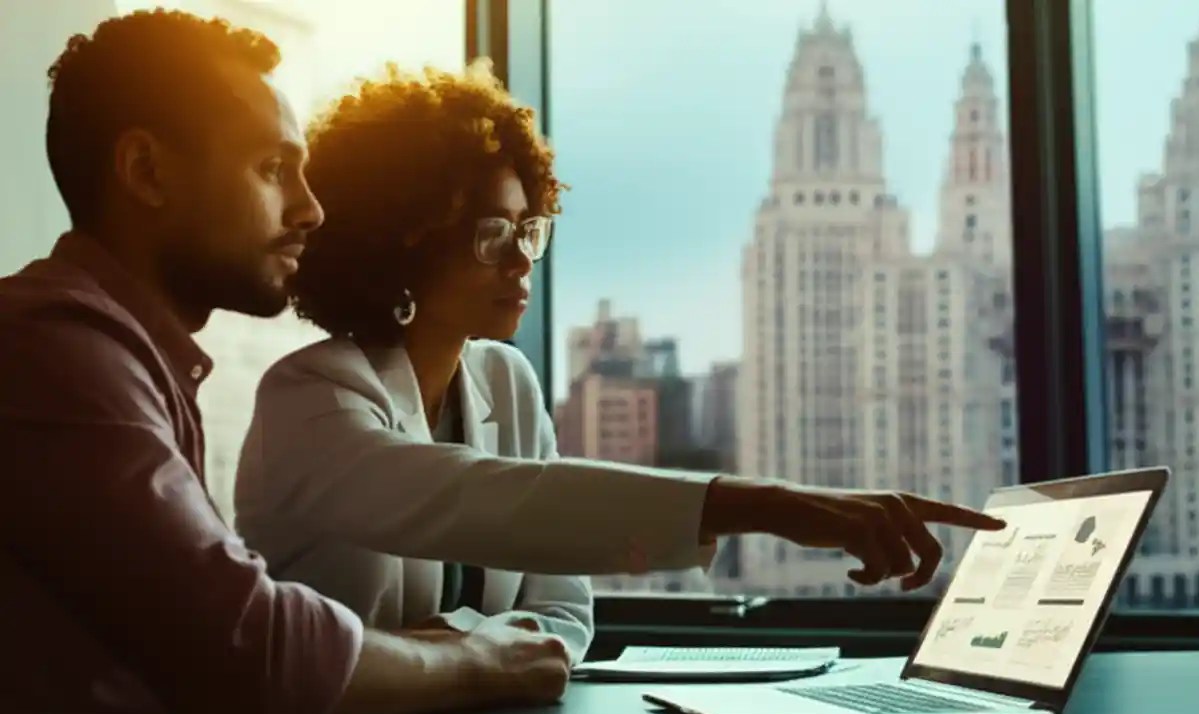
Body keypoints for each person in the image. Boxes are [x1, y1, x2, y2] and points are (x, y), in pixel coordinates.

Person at [234, 60, 1007, 664]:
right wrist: (772, 505)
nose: (521, 260)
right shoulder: (309, 398)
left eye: (528, 229)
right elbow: (490, 503)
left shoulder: (506, 381)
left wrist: (461, 654)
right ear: (398, 245)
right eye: (491, 235)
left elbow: (565, 609)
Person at [0, 11, 571, 714]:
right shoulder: (54, 357)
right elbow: (247, 642)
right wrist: (479, 660)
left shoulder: (128, 362)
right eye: (272, 169)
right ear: (146, 170)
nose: (311, 211)